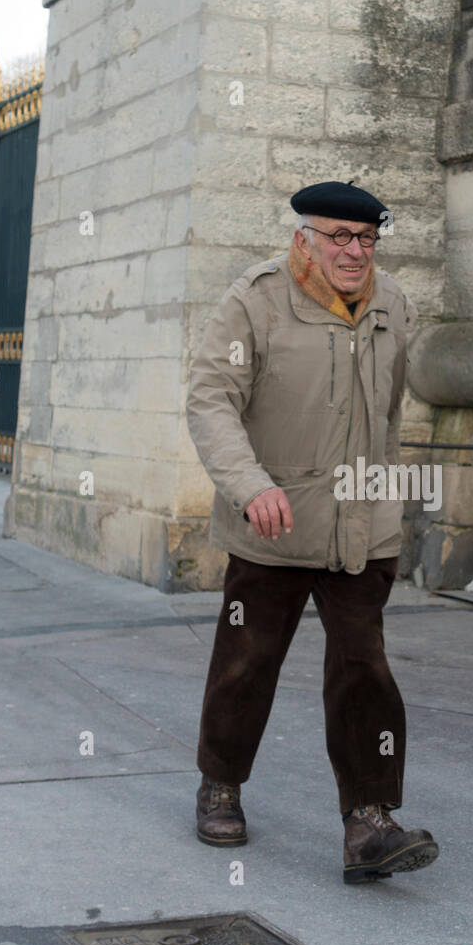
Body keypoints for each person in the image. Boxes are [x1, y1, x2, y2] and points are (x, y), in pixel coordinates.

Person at [186, 179, 438, 884]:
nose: (356, 251)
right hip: (275, 516)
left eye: (367, 239)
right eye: (340, 237)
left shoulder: (393, 303)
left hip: (361, 525)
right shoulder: (255, 301)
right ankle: (220, 784)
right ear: (305, 238)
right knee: (247, 662)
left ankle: (370, 821)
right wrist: (250, 485)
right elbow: (211, 400)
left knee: (365, 667)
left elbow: (387, 415)